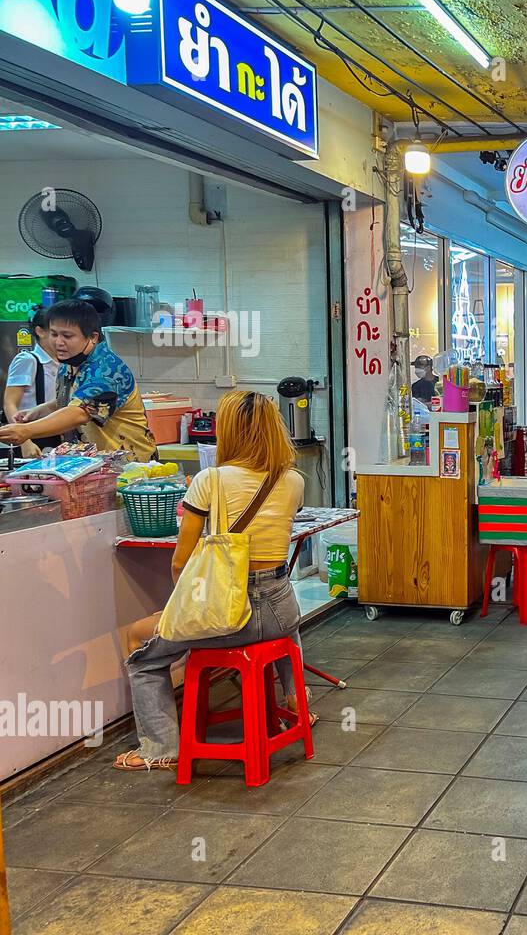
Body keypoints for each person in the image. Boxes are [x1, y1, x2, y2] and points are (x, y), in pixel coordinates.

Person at [114, 391, 307, 771]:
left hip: (231, 617)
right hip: (283, 610)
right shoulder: (293, 480)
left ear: (230, 431)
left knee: (139, 640)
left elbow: (181, 562)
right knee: (283, 626)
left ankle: (160, 748)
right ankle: (298, 703)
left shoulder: (209, 480)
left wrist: (180, 610)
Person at [0, 300, 155, 461]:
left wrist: (27, 431)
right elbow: (71, 400)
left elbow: (79, 413)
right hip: (89, 466)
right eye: (54, 334)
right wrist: (39, 411)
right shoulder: (69, 362)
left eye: (67, 336)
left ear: (93, 337)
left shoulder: (105, 371)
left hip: (132, 469)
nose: (58, 342)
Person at [3, 307, 62, 453]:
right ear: (40, 331)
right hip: (32, 436)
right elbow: (9, 403)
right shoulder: (28, 360)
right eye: (54, 333)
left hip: (56, 434)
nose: (60, 339)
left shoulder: (63, 363)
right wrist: (24, 441)